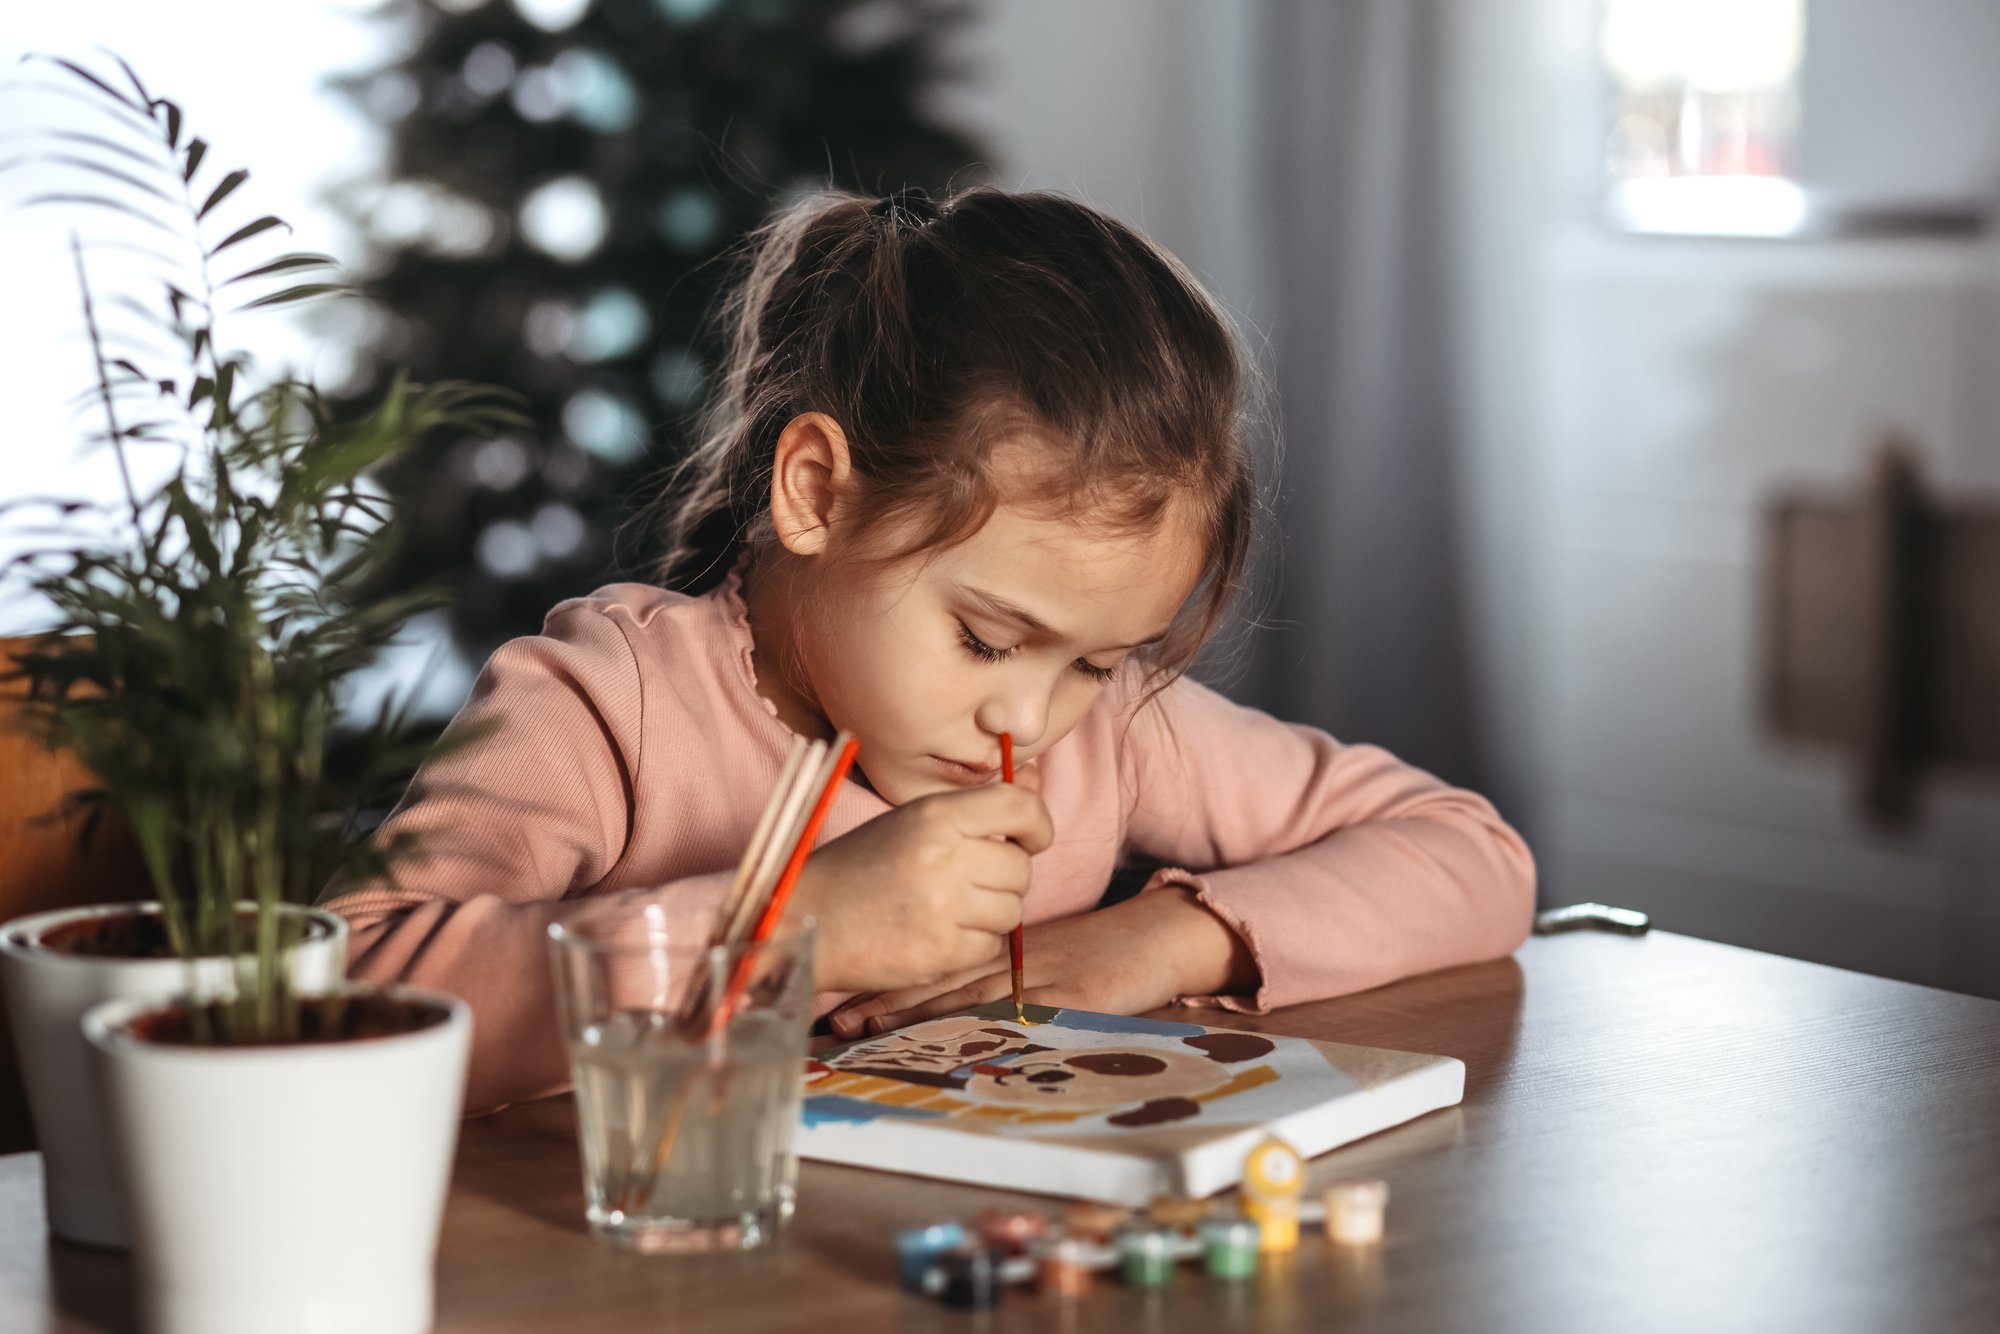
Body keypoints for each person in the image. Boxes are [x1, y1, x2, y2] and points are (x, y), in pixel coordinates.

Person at [322, 187, 1535, 1113]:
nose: (1030, 721)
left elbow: (1473, 857)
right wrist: (786, 929)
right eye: (984, 636)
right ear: (816, 493)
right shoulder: (611, 704)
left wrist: (1144, 942)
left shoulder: (1102, 732)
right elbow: (351, 997)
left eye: (1094, 662)